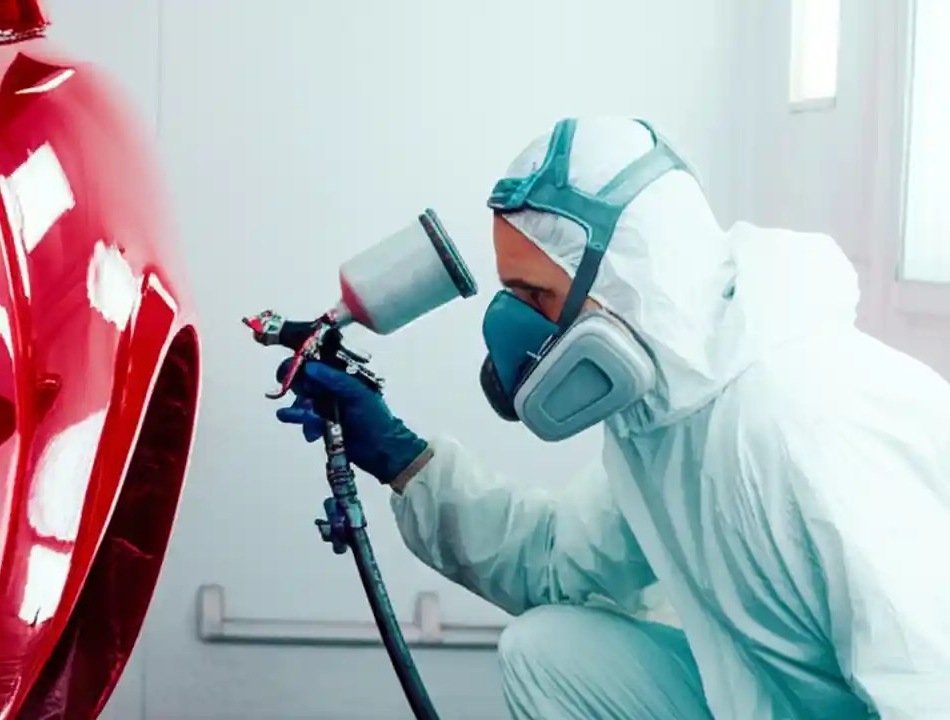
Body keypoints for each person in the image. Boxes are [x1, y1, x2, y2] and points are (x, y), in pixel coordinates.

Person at [274, 117, 950, 719]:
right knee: (546, 653)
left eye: (533, 295)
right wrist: (401, 458)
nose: (518, 333)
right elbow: (553, 559)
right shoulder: (665, 416)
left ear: (631, 283)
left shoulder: (801, 418)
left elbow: (925, 686)